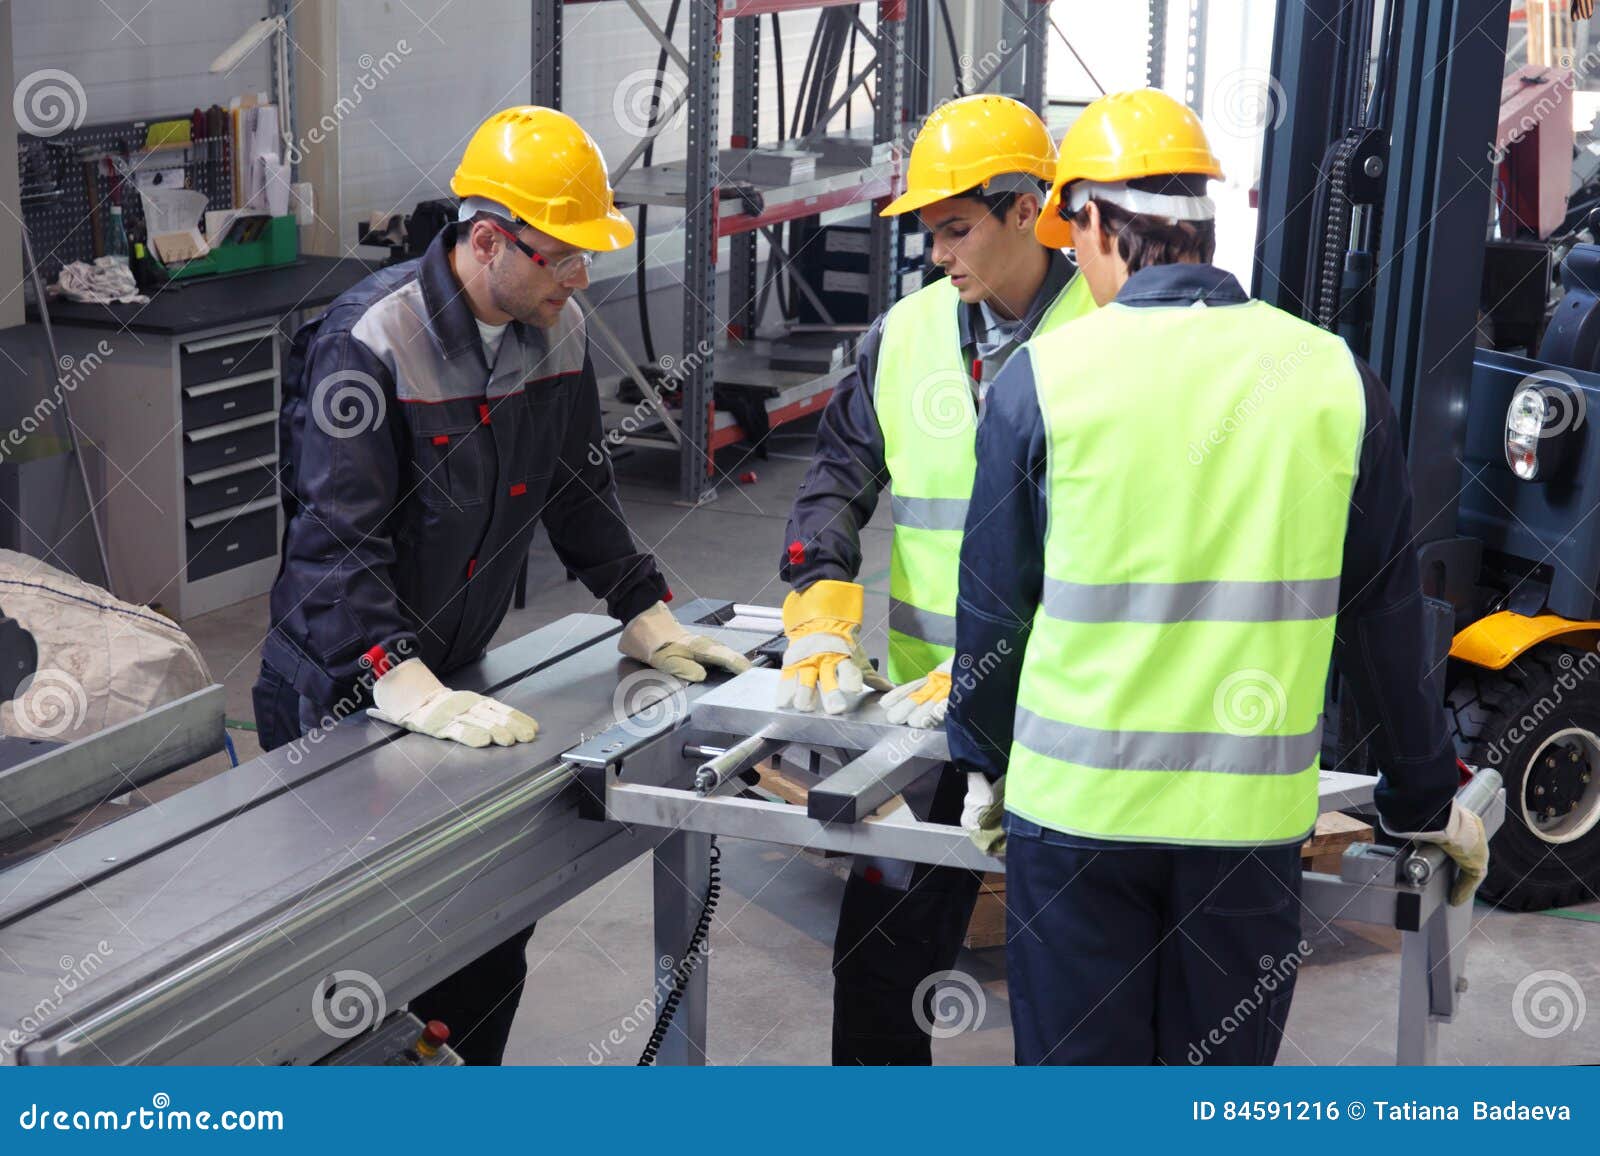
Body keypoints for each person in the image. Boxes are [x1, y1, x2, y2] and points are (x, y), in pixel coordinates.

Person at [946, 88, 1489, 1066]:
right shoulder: (1331, 379)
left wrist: (981, 761)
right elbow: (1384, 616)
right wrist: (1419, 796)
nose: (1077, 263)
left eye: (1076, 240)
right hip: (1244, 838)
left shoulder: (1044, 382)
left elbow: (993, 611)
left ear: (1099, 223)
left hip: (1073, 827)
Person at [252, 106, 749, 1063]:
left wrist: (642, 607)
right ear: (488, 241)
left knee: (484, 935)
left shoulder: (555, 330)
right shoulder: (370, 342)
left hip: (454, 677)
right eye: (562, 257)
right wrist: (392, 675)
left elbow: (578, 490)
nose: (580, 277)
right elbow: (334, 547)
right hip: (338, 695)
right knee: (359, 970)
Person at [776, 94, 1096, 1064]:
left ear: (1026, 209)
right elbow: (836, 478)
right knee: (880, 963)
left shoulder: (1109, 334)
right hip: (927, 715)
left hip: (1068, 715)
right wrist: (818, 600)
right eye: (929, 232)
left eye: (956, 229)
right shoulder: (905, 334)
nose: (938, 253)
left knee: (1074, 976)